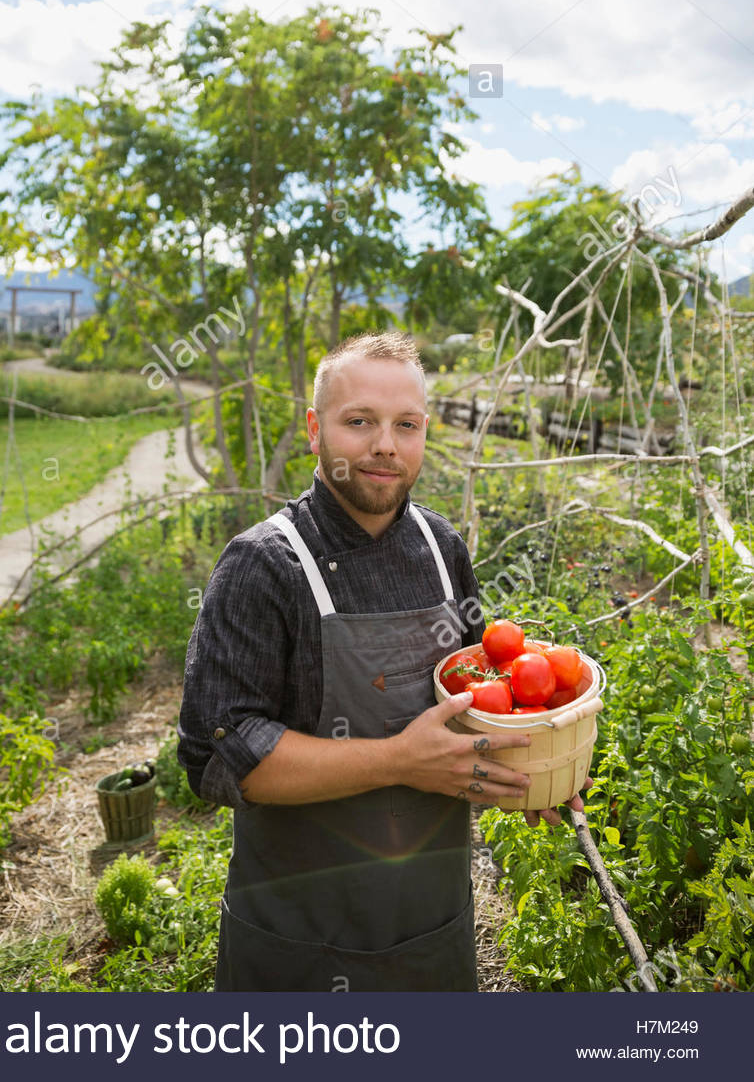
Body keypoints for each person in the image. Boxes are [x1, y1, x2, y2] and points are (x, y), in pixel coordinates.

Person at [177, 331, 589, 991]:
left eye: (407, 424)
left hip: (431, 929)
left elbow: (478, 698)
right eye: (359, 422)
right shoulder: (263, 566)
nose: (385, 445)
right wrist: (398, 760)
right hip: (300, 941)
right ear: (315, 430)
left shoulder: (441, 547)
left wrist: (525, 768)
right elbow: (219, 759)